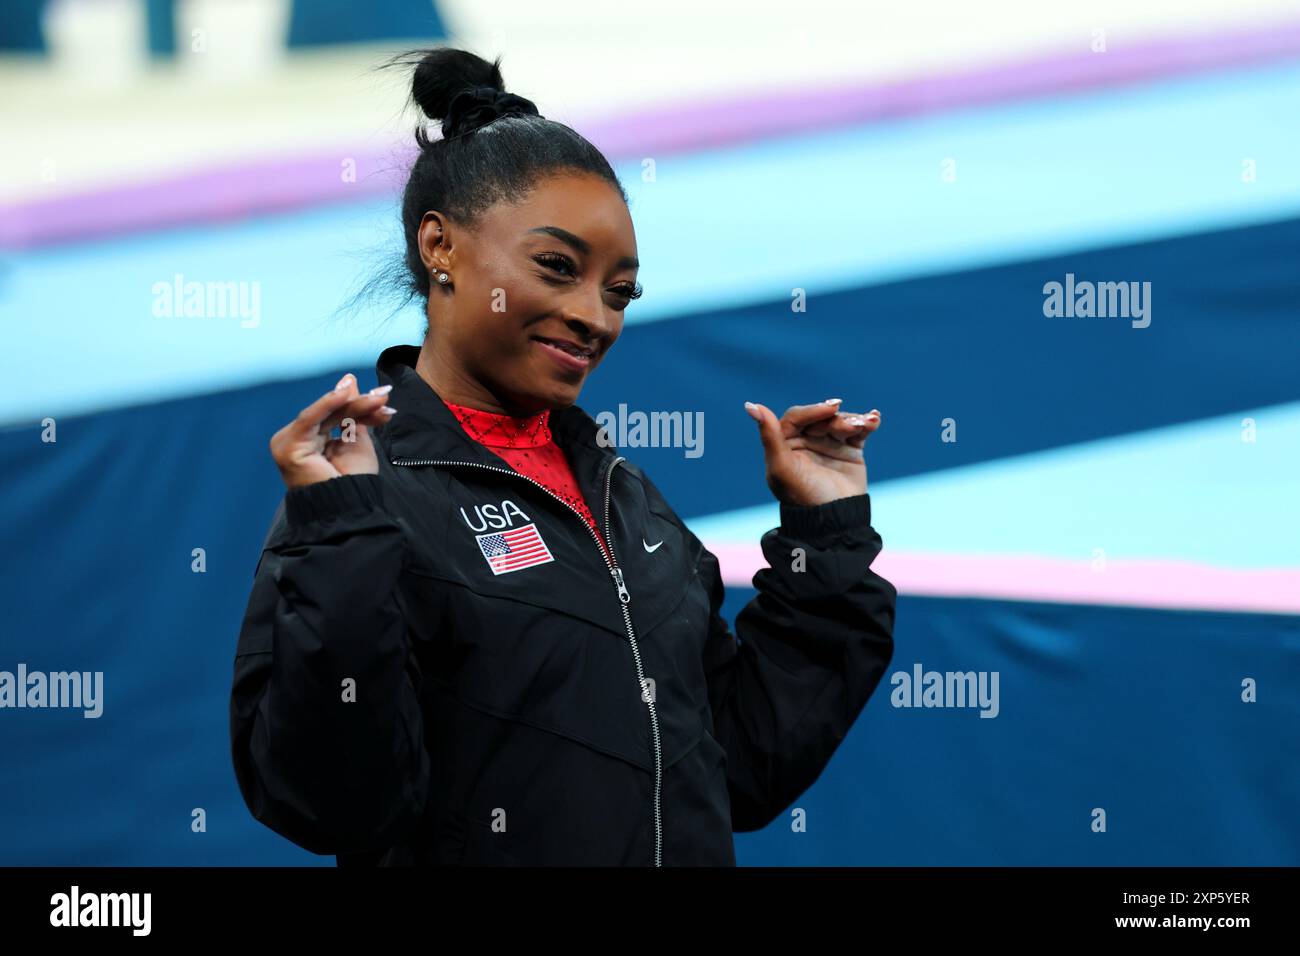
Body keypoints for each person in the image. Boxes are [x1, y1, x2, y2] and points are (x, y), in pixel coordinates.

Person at [229, 48, 897, 866]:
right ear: (439, 245)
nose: (595, 318)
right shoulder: (364, 498)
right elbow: (339, 805)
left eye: (620, 292)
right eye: (557, 269)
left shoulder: (623, 494)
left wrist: (823, 538)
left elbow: (744, 766)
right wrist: (339, 540)